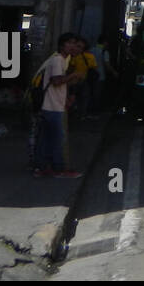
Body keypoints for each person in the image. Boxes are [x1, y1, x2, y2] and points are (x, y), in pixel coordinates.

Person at [33, 34, 84, 178]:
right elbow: (56, 81)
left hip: (52, 105)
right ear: (62, 46)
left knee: (46, 138)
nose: (72, 46)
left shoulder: (61, 60)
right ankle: (58, 168)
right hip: (52, 107)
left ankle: (42, 167)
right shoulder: (57, 60)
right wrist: (73, 76)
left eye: (74, 43)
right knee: (57, 139)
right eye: (69, 43)